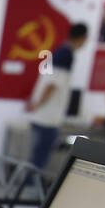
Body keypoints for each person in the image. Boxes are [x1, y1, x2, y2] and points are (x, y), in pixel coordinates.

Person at [26, 23, 89, 169]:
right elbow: (52, 84)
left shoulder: (59, 52)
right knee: (39, 160)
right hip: (47, 117)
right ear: (82, 38)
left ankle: (29, 186)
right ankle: (31, 188)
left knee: (38, 156)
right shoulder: (65, 55)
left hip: (44, 115)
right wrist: (38, 103)